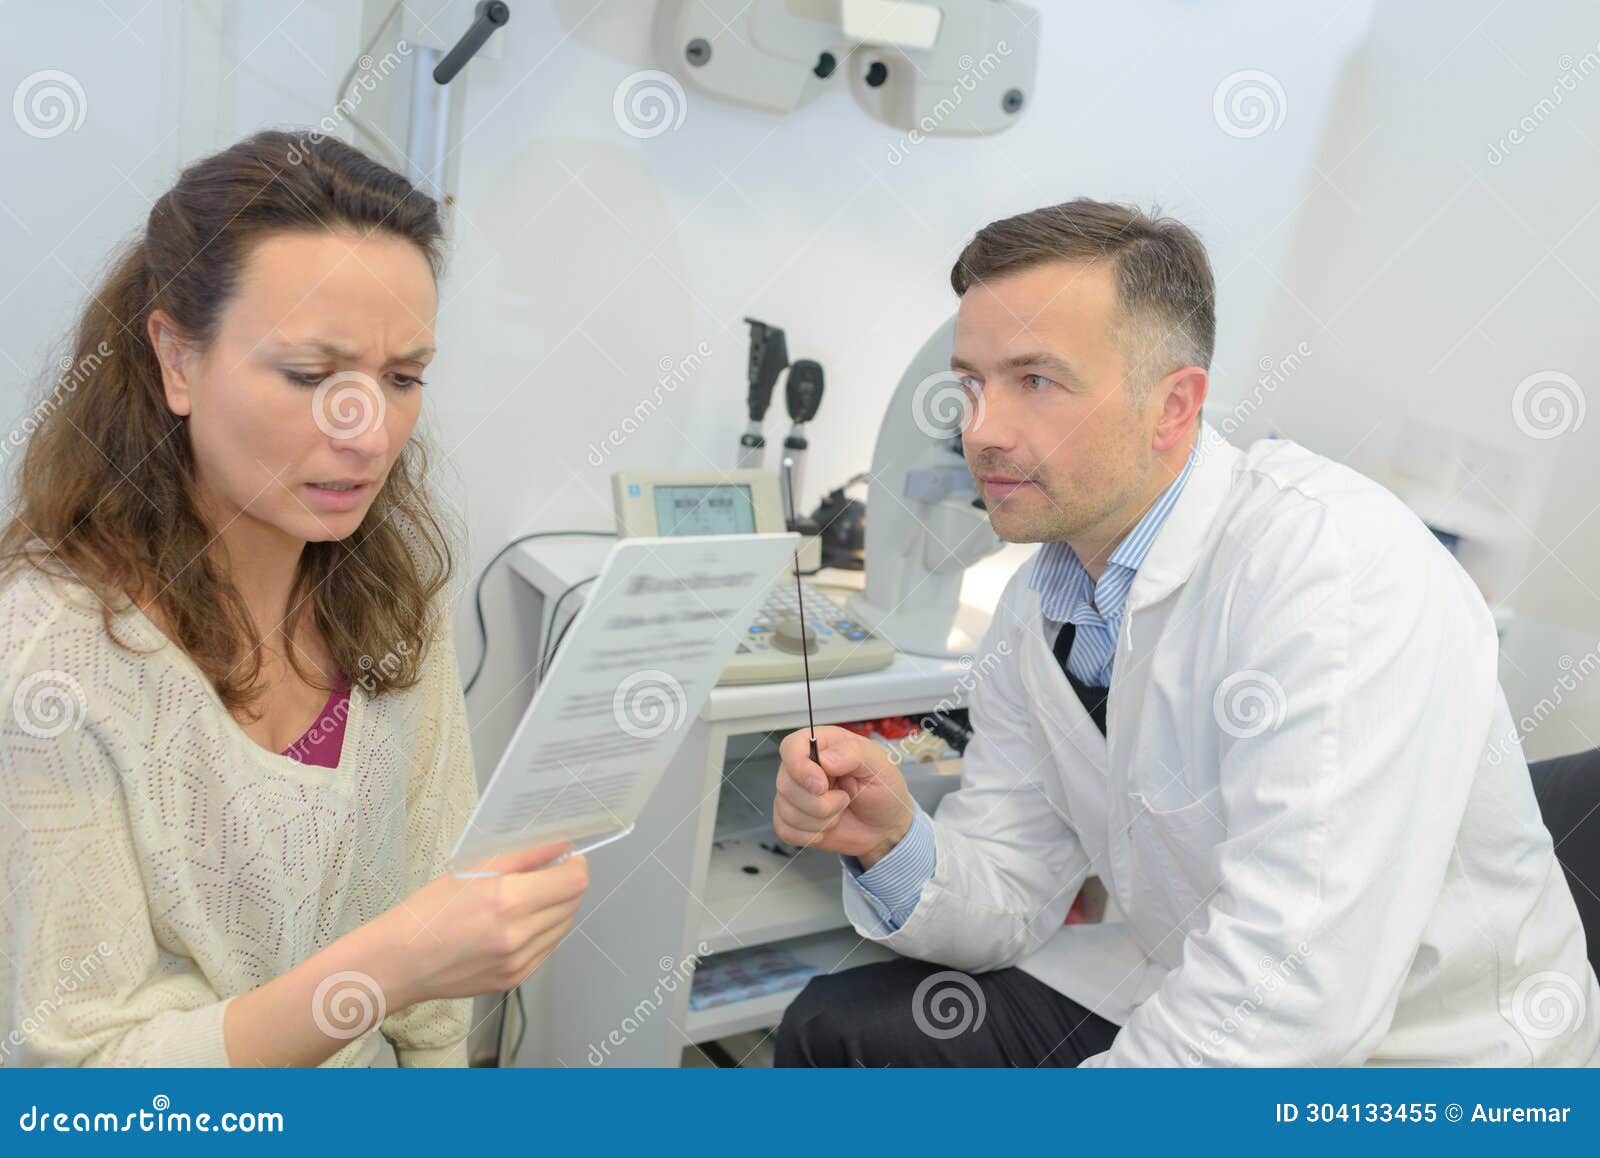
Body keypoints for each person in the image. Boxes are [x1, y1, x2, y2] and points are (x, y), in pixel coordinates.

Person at [771, 199, 1600, 1066]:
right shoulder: (1039, 603)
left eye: (1035, 381)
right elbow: (1013, 887)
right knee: (840, 1030)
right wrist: (892, 840)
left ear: (1173, 406)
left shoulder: (1335, 575)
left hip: (1429, 1067)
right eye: (971, 385)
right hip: (1193, 983)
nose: (981, 430)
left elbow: (1294, 1000)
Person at [0, 131, 587, 1067]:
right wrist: (395, 965)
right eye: (311, 376)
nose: (368, 432)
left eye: (403, 378)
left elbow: (432, 990)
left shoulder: (393, 595)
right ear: (177, 360)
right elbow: (79, 1083)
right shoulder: (54, 659)